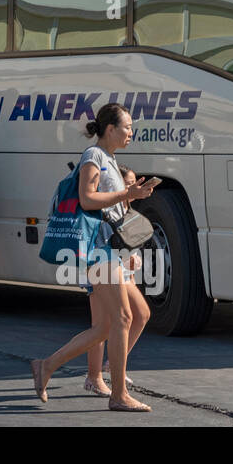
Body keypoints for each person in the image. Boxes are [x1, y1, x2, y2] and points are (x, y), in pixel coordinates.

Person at [31, 104, 159, 412]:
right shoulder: (93, 157)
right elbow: (87, 199)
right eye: (127, 127)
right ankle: (118, 394)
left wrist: (132, 195)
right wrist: (127, 195)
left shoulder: (110, 160)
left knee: (133, 317)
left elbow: (111, 205)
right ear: (110, 129)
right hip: (99, 250)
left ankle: (46, 366)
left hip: (112, 249)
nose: (132, 132)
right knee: (123, 319)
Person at [84, 164, 151, 396]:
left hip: (121, 271)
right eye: (128, 183)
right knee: (102, 325)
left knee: (140, 314)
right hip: (104, 268)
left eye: (134, 183)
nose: (133, 187)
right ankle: (93, 377)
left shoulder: (124, 207)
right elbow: (105, 241)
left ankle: (113, 366)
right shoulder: (108, 207)